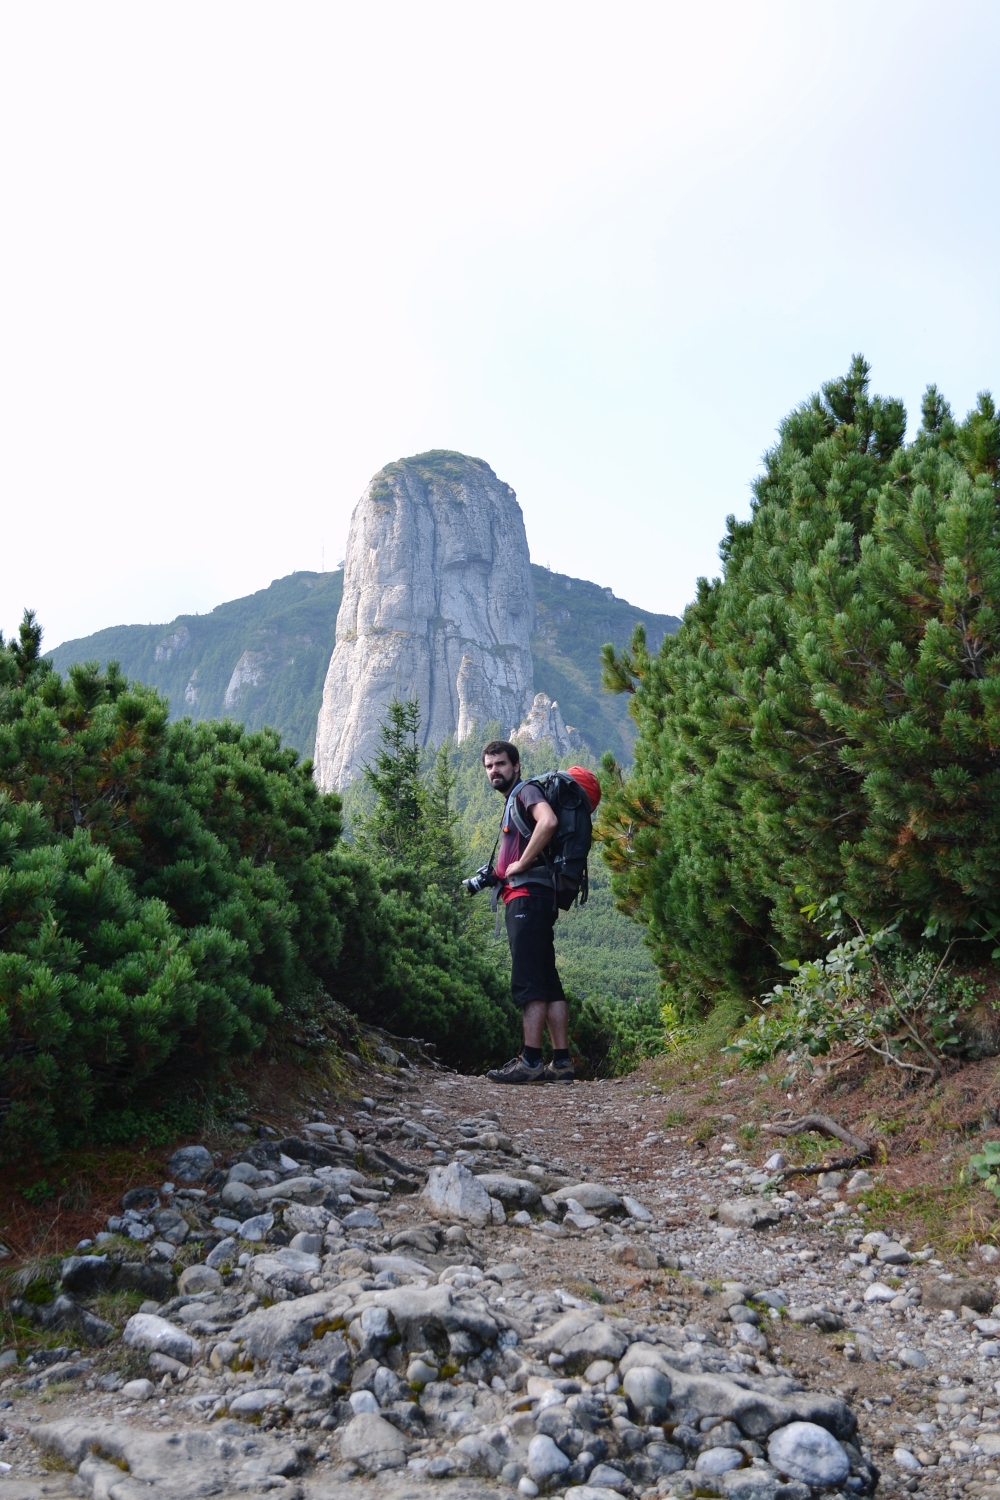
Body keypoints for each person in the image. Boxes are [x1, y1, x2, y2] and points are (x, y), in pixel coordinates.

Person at [480, 739, 574, 1085]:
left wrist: (521, 861)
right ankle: (561, 1062)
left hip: (527, 897)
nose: (495, 771)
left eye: (501, 764)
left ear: (516, 766)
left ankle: (531, 1060)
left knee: (528, 981)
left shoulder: (526, 792)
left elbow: (547, 822)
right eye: (489, 766)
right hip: (535, 897)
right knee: (548, 981)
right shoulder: (515, 800)